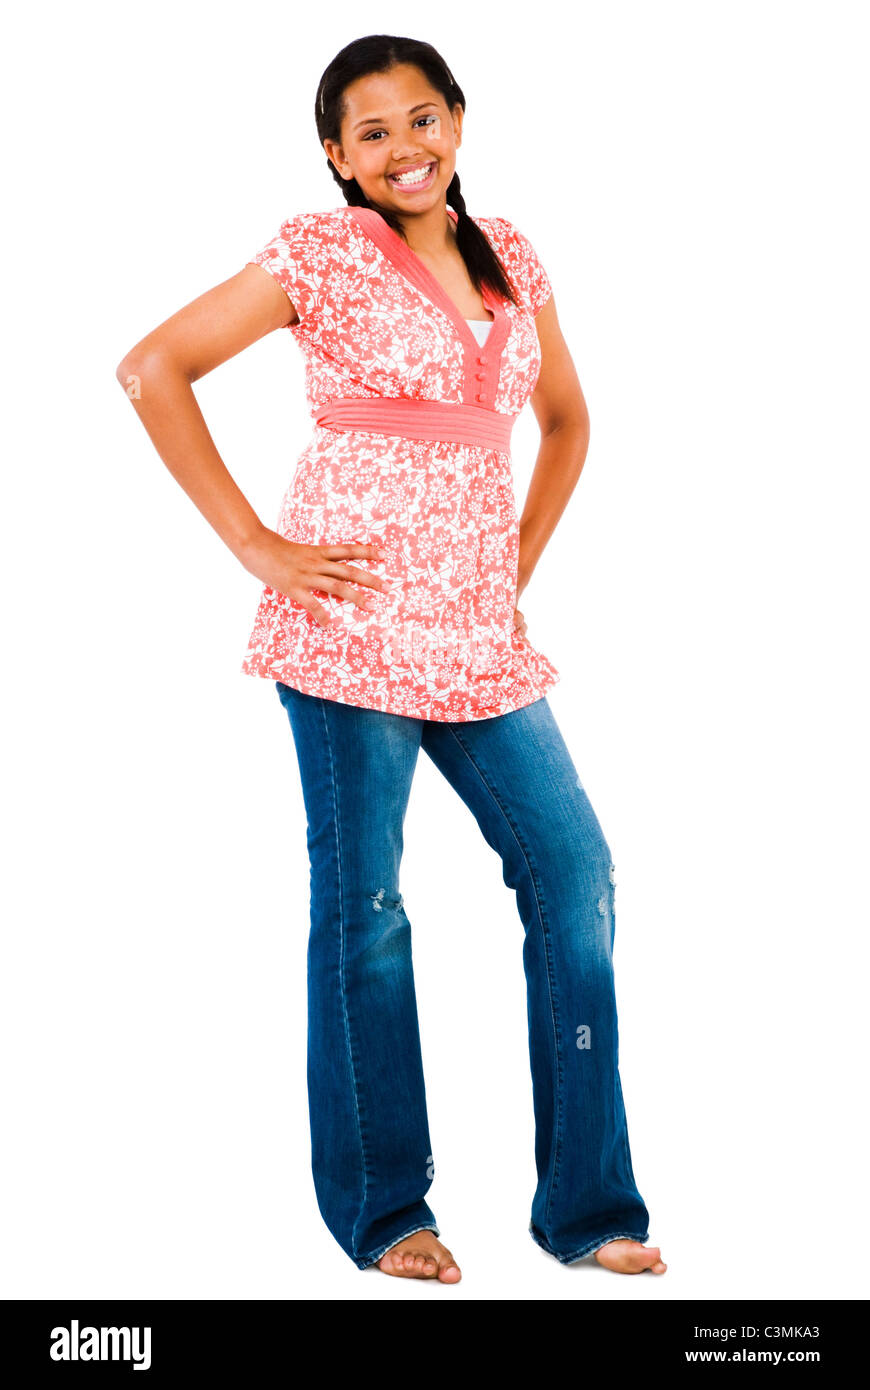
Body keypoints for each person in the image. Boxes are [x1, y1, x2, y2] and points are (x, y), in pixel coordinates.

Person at [116, 33, 666, 1285]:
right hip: (350, 626)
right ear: (336, 154)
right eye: (372, 132)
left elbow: (567, 420)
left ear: (457, 122)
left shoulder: (511, 253)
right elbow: (153, 369)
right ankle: (385, 1211)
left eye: (423, 119)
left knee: (574, 874)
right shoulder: (317, 252)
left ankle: (588, 1208)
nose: (405, 148)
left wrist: (514, 563)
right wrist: (256, 544)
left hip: (476, 634)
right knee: (365, 909)